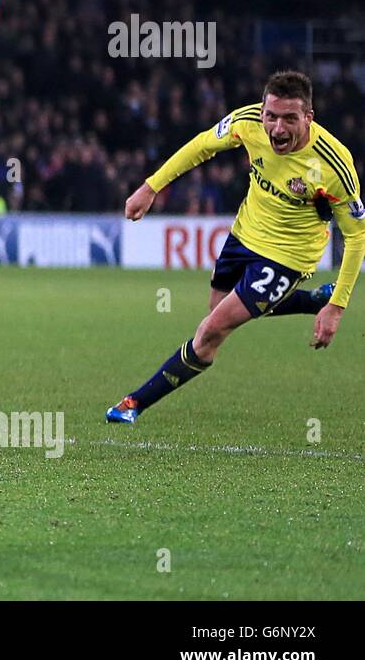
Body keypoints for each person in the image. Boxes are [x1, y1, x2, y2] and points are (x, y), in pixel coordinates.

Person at [108, 71, 362, 424]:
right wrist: (151, 187)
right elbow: (201, 146)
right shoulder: (247, 122)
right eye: (270, 116)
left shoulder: (333, 164)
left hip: (289, 256)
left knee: (211, 331)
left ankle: (134, 403)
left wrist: (337, 306)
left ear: (308, 118)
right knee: (217, 307)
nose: (277, 128)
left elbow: (356, 236)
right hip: (244, 235)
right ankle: (310, 300)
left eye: (290, 118)